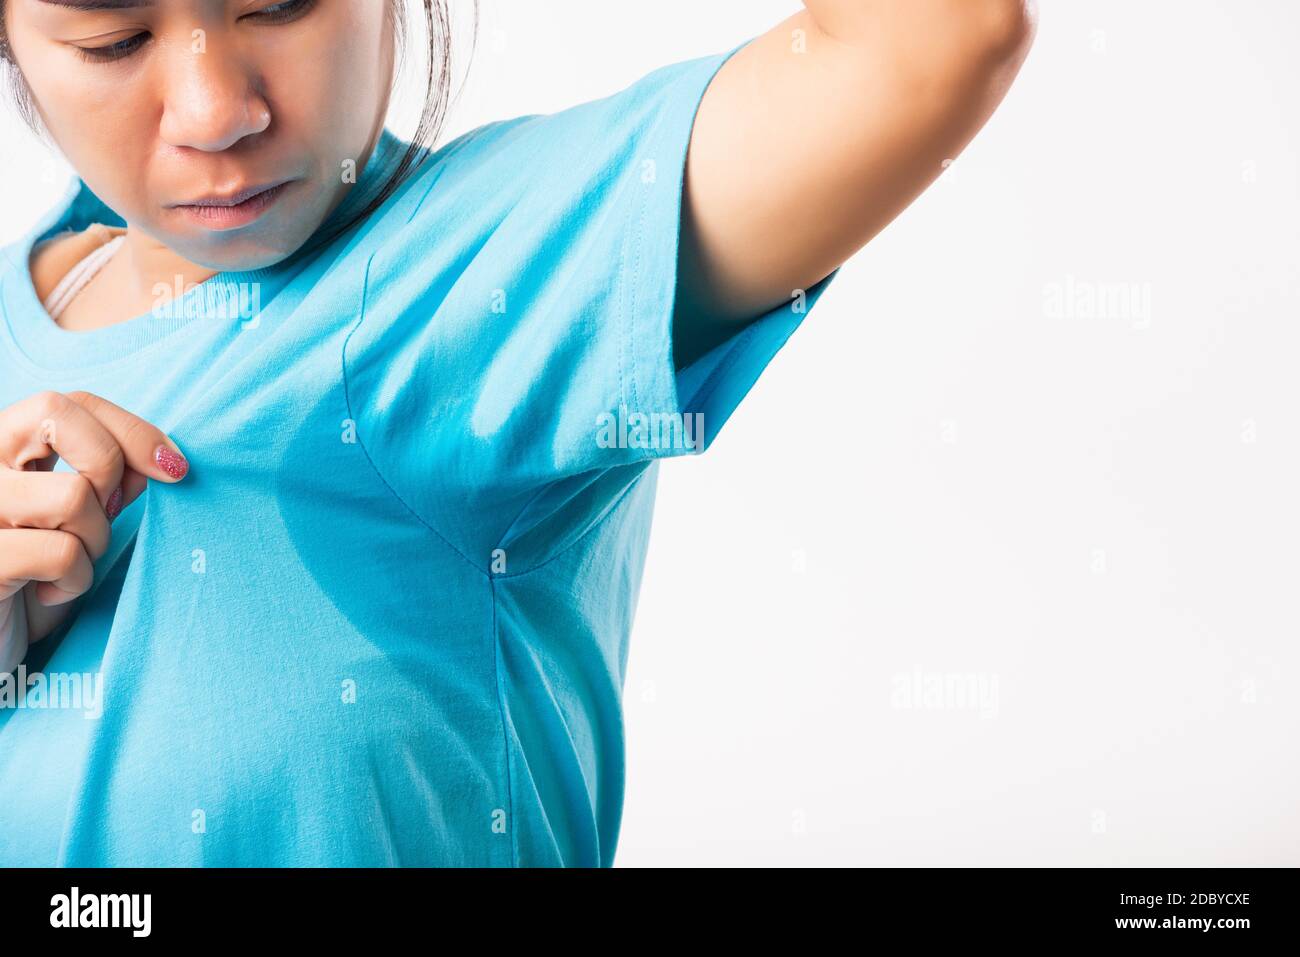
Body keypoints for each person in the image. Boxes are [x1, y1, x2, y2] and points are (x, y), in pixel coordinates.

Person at [0, 0, 1035, 866]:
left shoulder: (474, 271)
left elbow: (934, 41)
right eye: (113, 40)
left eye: (281, 1)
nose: (216, 110)